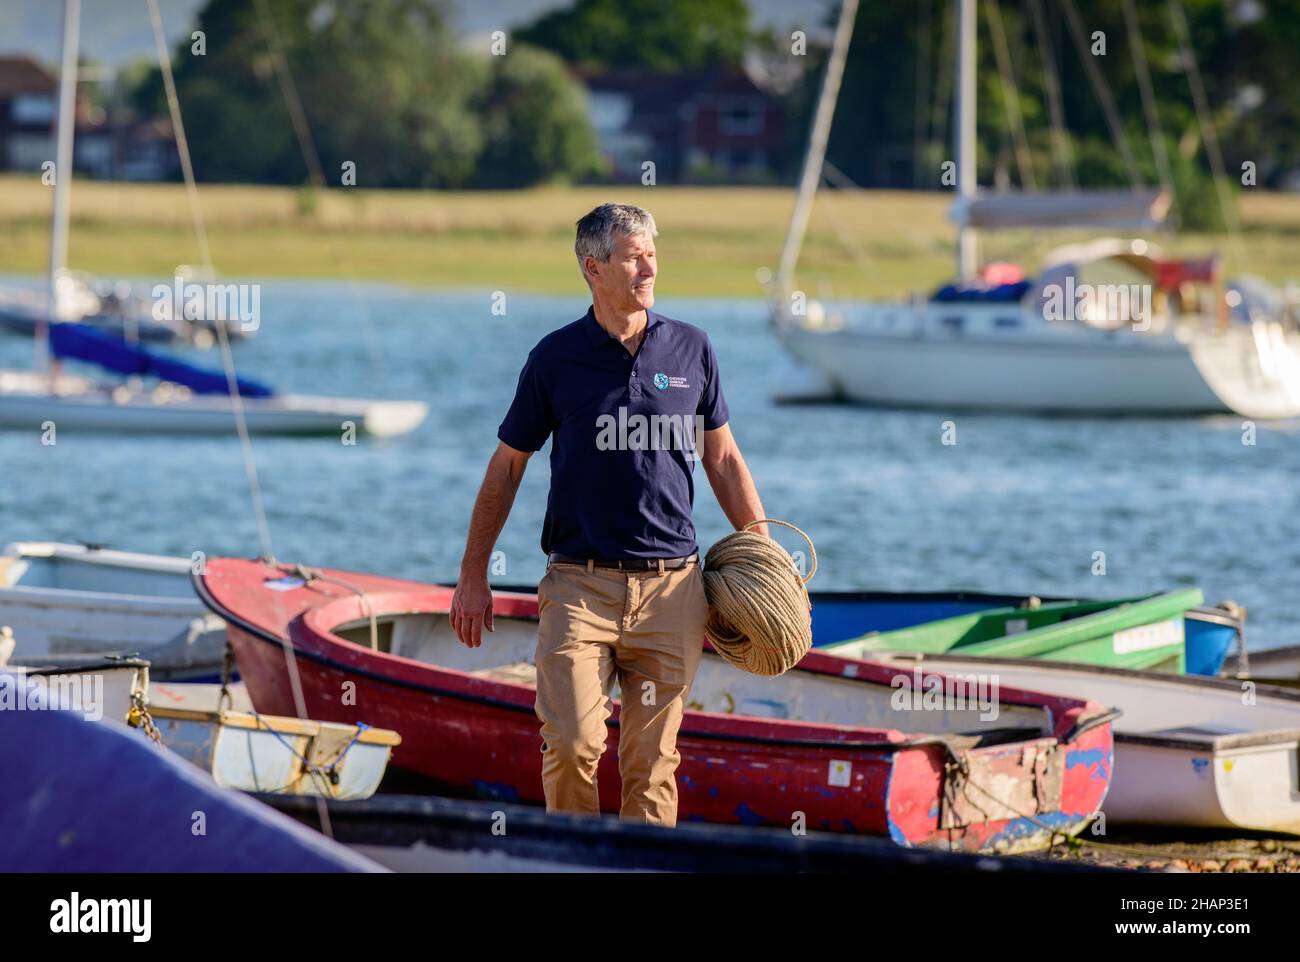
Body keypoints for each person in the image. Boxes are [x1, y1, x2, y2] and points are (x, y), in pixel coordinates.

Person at [451, 202, 768, 827]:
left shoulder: (692, 349)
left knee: (651, 768)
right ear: (594, 268)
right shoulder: (554, 359)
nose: (648, 266)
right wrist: (472, 575)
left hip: (674, 590)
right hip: (578, 587)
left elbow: (724, 458)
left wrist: (763, 555)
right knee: (571, 746)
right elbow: (507, 467)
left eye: (652, 252)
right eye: (633, 255)